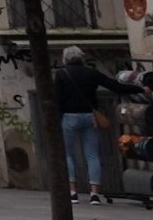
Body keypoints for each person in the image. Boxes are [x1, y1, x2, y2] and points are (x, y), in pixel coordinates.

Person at [55, 45, 132, 205]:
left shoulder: (61, 74)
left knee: (68, 154)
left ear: (65, 59)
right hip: (90, 116)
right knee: (92, 155)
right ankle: (94, 194)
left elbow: (58, 99)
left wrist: (56, 119)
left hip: (69, 117)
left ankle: (73, 192)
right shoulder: (92, 73)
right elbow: (115, 86)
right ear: (82, 58)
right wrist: (141, 88)